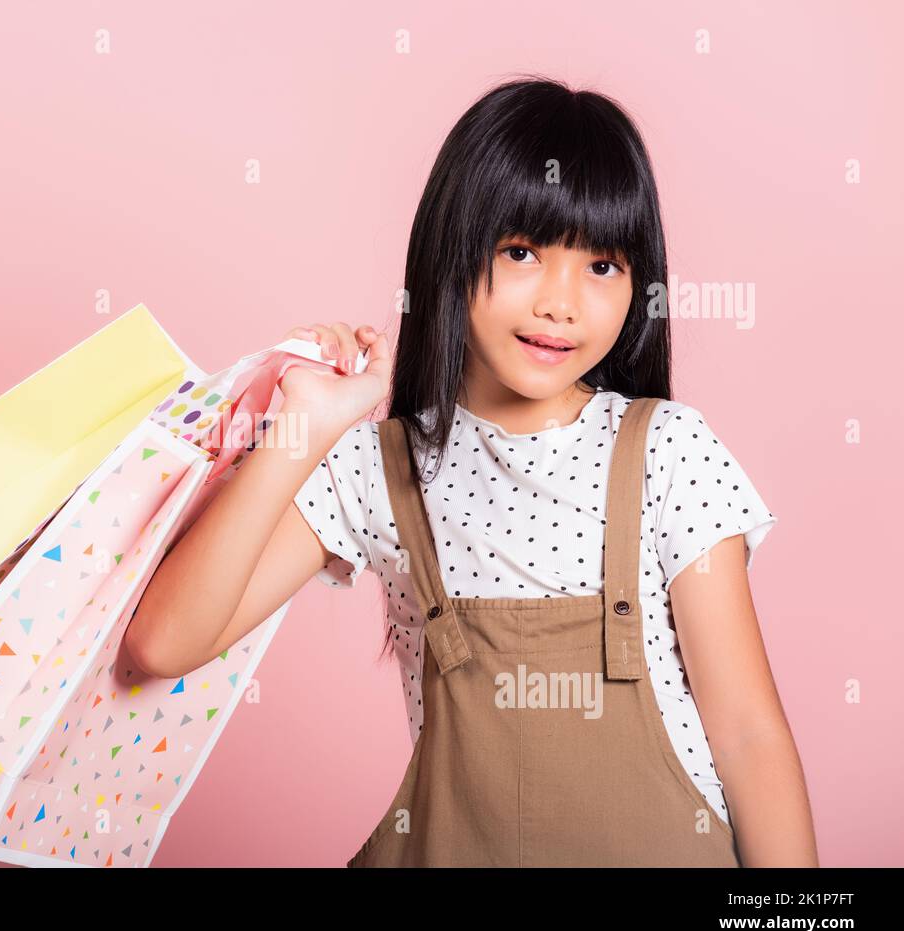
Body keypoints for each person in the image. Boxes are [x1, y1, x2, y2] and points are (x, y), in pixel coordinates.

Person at [125, 75, 818, 867]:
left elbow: (750, 735)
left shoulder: (668, 452)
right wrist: (302, 426)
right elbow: (163, 643)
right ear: (452, 254)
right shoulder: (375, 469)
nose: (562, 303)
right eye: (522, 253)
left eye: (603, 265)